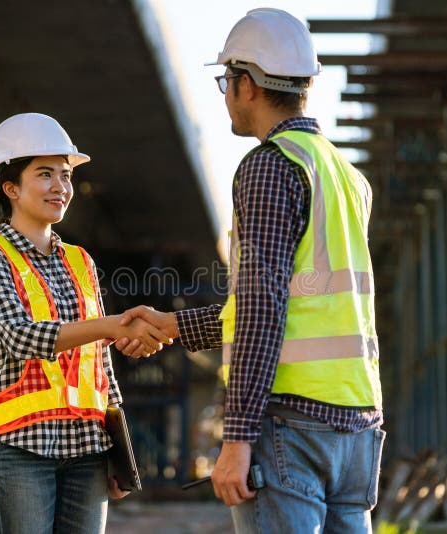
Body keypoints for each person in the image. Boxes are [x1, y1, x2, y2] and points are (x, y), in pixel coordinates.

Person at [118, 8, 384, 533]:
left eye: (226, 82)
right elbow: (301, 299)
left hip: (293, 423)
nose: (226, 95)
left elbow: (264, 306)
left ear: (248, 84)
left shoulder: (270, 166)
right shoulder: (347, 177)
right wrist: (176, 327)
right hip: (356, 423)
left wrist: (236, 438)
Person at [0, 112, 171, 534]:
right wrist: (112, 326)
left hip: (86, 450)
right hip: (15, 448)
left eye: (66, 175)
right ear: (10, 188)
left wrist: (117, 447)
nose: (61, 187)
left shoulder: (80, 261)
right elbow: (19, 336)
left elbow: (100, 364)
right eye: (45, 174)